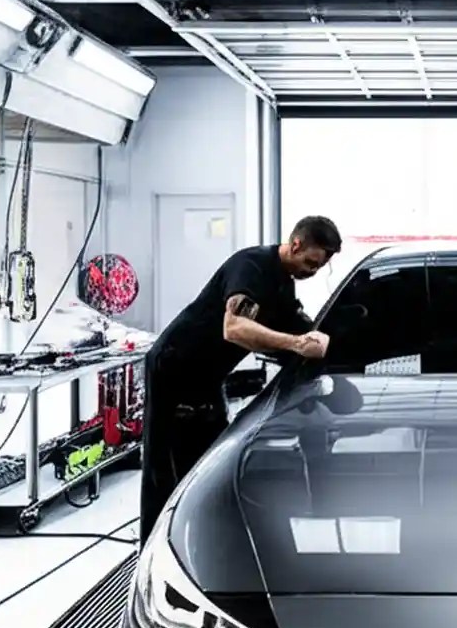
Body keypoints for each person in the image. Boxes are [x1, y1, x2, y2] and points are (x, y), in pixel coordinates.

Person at [138, 216, 342, 540]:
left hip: (208, 376)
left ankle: (202, 536)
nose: (312, 272)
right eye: (310, 263)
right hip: (174, 369)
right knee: (164, 470)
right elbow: (234, 328)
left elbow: (295, 324)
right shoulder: (252, 266)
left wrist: (332, 342)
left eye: (318, 268)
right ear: (296, 243)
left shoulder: (283, 283)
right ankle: (155, 548)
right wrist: (297, 344)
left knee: (211, 462)